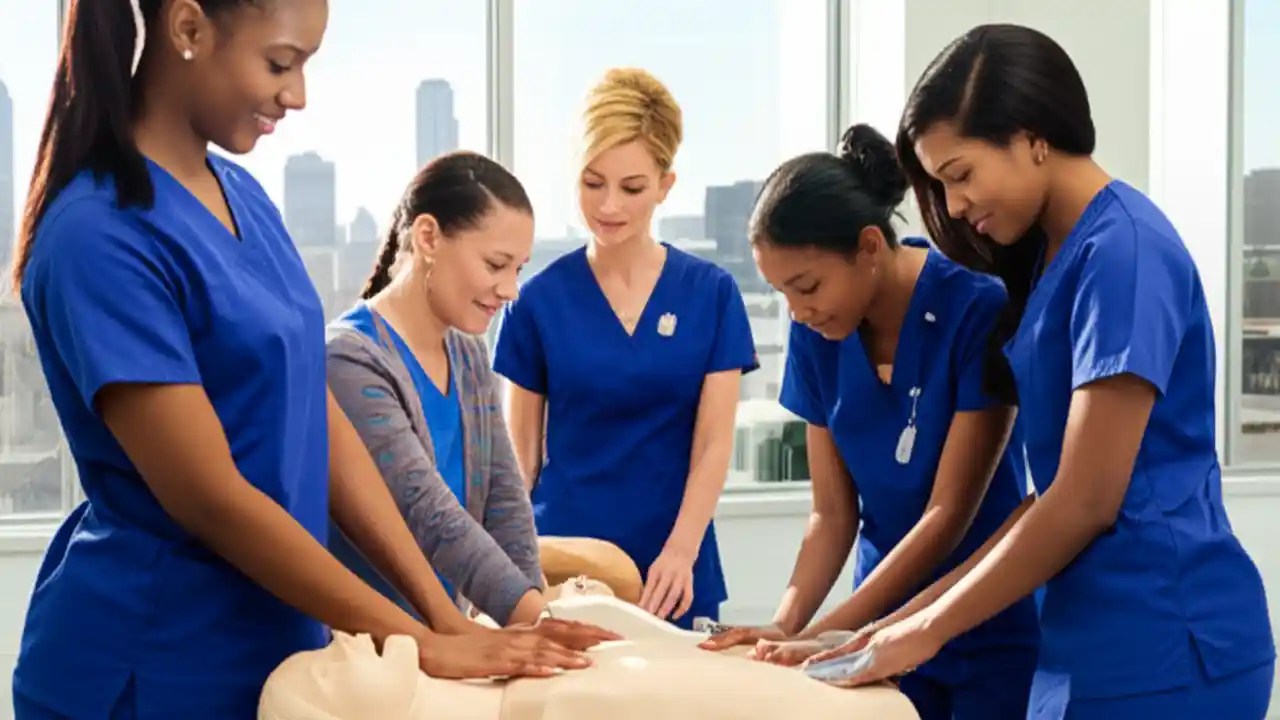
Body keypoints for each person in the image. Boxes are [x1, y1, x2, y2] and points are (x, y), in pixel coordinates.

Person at [8, 1, 603, 717]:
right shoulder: (97, 236)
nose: (298, 95)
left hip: (279, 651)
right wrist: (418, 638)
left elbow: (316, 421)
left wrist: (439, 618)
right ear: (189, 29)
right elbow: (212, 499)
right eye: (280, 63)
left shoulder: (245, 199)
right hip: (153, 664)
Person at [807, 23, 1276, 719]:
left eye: (960, 175)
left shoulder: (1126, 253)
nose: (955, 205)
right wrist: (890, 628)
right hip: (1084, 640)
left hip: (1166, 641)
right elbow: (1049, 495)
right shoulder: (1058, 258)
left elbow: (1084, 501)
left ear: (1032, 138)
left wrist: (921, 632)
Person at [699, 124, 1039, 719]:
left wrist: (833, 634)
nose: (797, 312)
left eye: (806, 286)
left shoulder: (975, 308)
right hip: (874, 617)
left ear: (870, 248)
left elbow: (948, 515)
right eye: (781, 293)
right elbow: (831, 515)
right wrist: (786, 627)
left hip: (982, 619)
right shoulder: (818, 335)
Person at [493, 67, 758, 630]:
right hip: (565, 569)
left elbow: (714, 445)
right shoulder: (535, 300)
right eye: (592, 183)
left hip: (675, 569)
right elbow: (520, 463)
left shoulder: (712, 294)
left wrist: (682, 551)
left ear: (666, 184)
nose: (609, 205)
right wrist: (506, 571)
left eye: (632, 187)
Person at [326, 151, 565, 627]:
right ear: (428, 237)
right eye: (496, 265)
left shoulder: (468, 354)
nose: (511, 289)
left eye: (518, 269)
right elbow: (427, 513)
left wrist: (537, 618)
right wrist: (536, 621)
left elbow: (504, 500)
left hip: (447, 639)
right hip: (370, 647)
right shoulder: (349, 361)